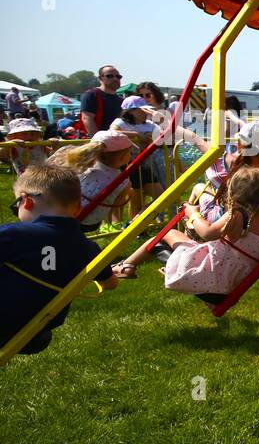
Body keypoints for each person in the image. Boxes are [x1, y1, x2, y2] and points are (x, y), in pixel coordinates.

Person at [1, 165, 119, 354]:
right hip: (36, 335)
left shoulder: (12, 235)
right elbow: (111, 284)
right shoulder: (87, 248)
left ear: (26, 201)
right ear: (78, 207)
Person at [118, 166, 259, 299]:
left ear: (234, 195)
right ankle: (157, 266)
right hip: (229, 287)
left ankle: (126, 266)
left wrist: (192, 213)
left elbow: (208, 233)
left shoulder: (238, 215)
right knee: (169, 243)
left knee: (168, 234)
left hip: (206, 279)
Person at [48, 130, 133, 230]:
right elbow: (117, 204)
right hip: (91, 221)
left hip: (64, 214)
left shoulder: (82, 166)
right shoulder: (123, 182)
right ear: (123, 157)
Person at [110, 95, 165, 217]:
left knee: (161, 195)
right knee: (136, 198)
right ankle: (134, 226)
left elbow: (165, 133)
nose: (144, 112)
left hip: (145, 165)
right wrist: (137, 135)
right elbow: (112, 132)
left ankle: (137, 220)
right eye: (141, 109)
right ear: (130, 111)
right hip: (127, 166)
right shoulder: (121, 122)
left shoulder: (150, 124)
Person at [79, 65, 124, 137]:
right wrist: (98, 140)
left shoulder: (121, 100)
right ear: (100, 78)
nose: (115, 79)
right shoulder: (92, 95)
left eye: (118, 76)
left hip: (117, 140)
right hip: (99, 142)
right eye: (110, 76)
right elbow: (87, 118)